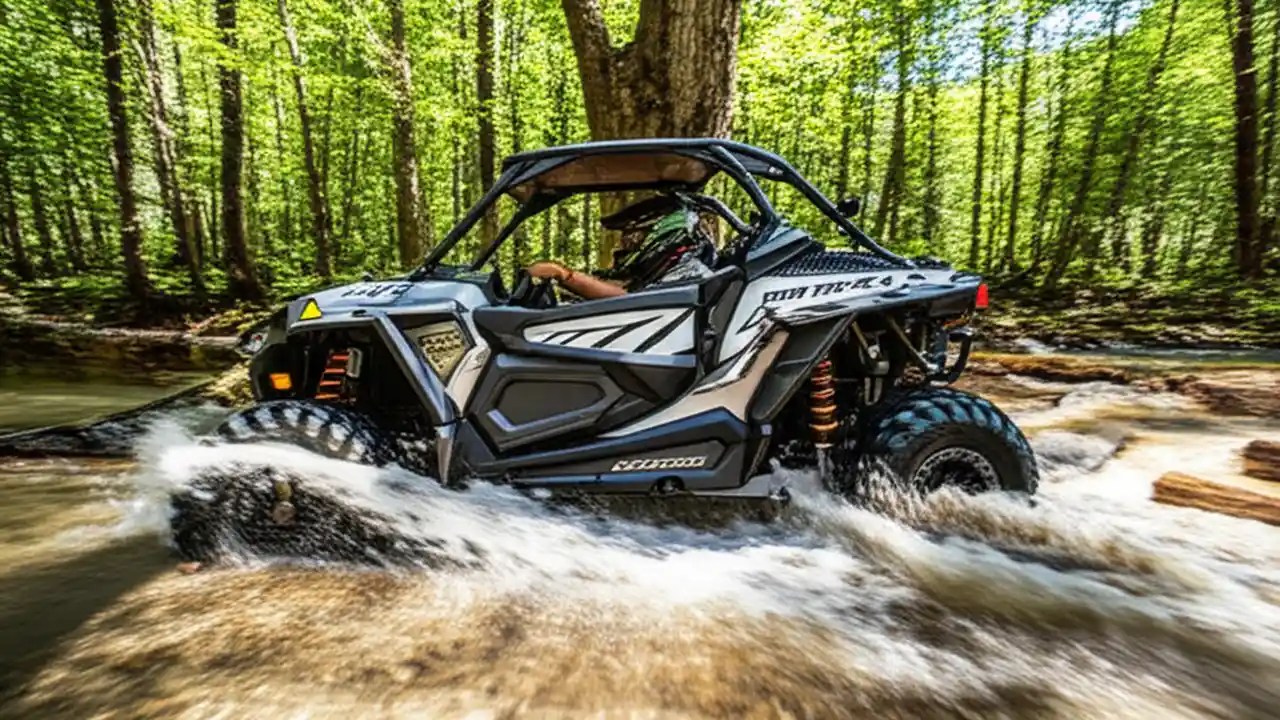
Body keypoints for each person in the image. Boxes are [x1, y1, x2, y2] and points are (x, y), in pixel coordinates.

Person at [525, 195, 716, 300]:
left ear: (657, 232)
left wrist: (564, 275)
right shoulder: (662, 268)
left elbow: (630, 300)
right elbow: (623, 286)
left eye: (630, 236)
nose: (622, 244)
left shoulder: (689, 269)